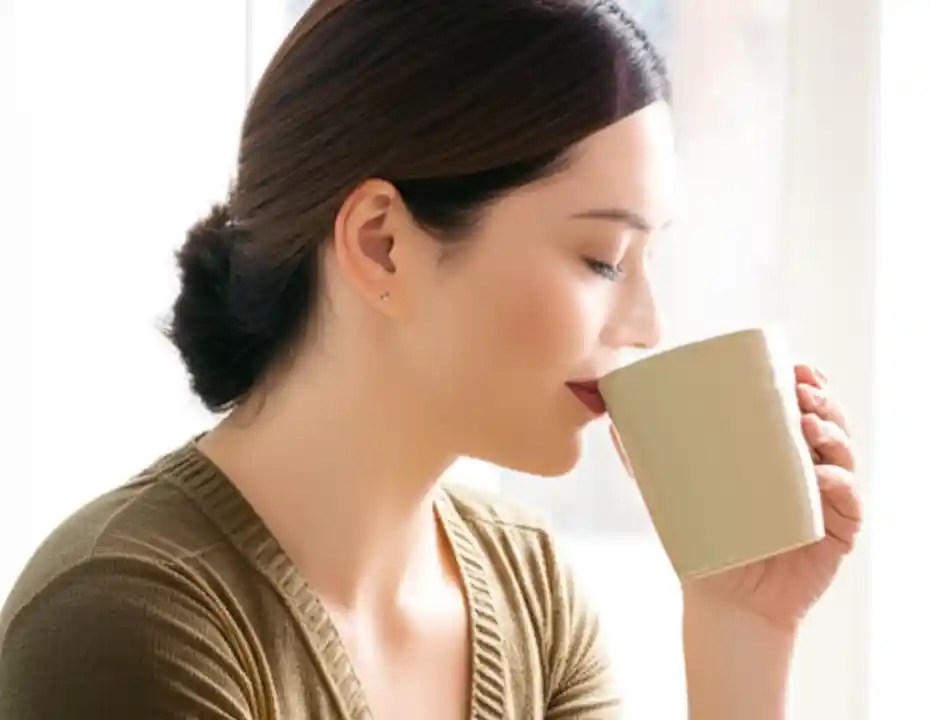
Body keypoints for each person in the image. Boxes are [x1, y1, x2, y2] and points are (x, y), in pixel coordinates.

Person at [0, 1, 863, 718]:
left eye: (647, 262)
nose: (647, 324)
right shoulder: (126, 619)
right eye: (602, 259)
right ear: (382, 245)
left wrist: (740, 631)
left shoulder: (530, 586)